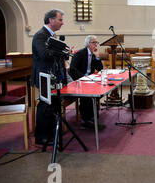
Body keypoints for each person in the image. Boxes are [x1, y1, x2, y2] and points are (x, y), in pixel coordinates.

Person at [31, 9, 66, 146]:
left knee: (53, 104)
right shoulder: (40, 35)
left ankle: (52, 133)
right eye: (60, 20)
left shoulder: (51, 35)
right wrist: (62, 51)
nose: (62, 23)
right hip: (43, 76)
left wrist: (63, 52)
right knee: (45, 105)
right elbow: (44, 54)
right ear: (51, 20)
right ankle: (41, 137)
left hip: (52, 75)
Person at [69, 35, 105, 129]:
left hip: (89, 80)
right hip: (79, 80)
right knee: (88, 95)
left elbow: (100, 69)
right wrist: (84, 77)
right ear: (88, 44)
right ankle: (86, 120)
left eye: (96, 42)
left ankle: (93, 118)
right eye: (94, 43)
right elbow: (72, 70)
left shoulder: (93, 54)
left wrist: (97, 57)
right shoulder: (80, 54)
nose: (96, 45)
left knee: (99, 92)